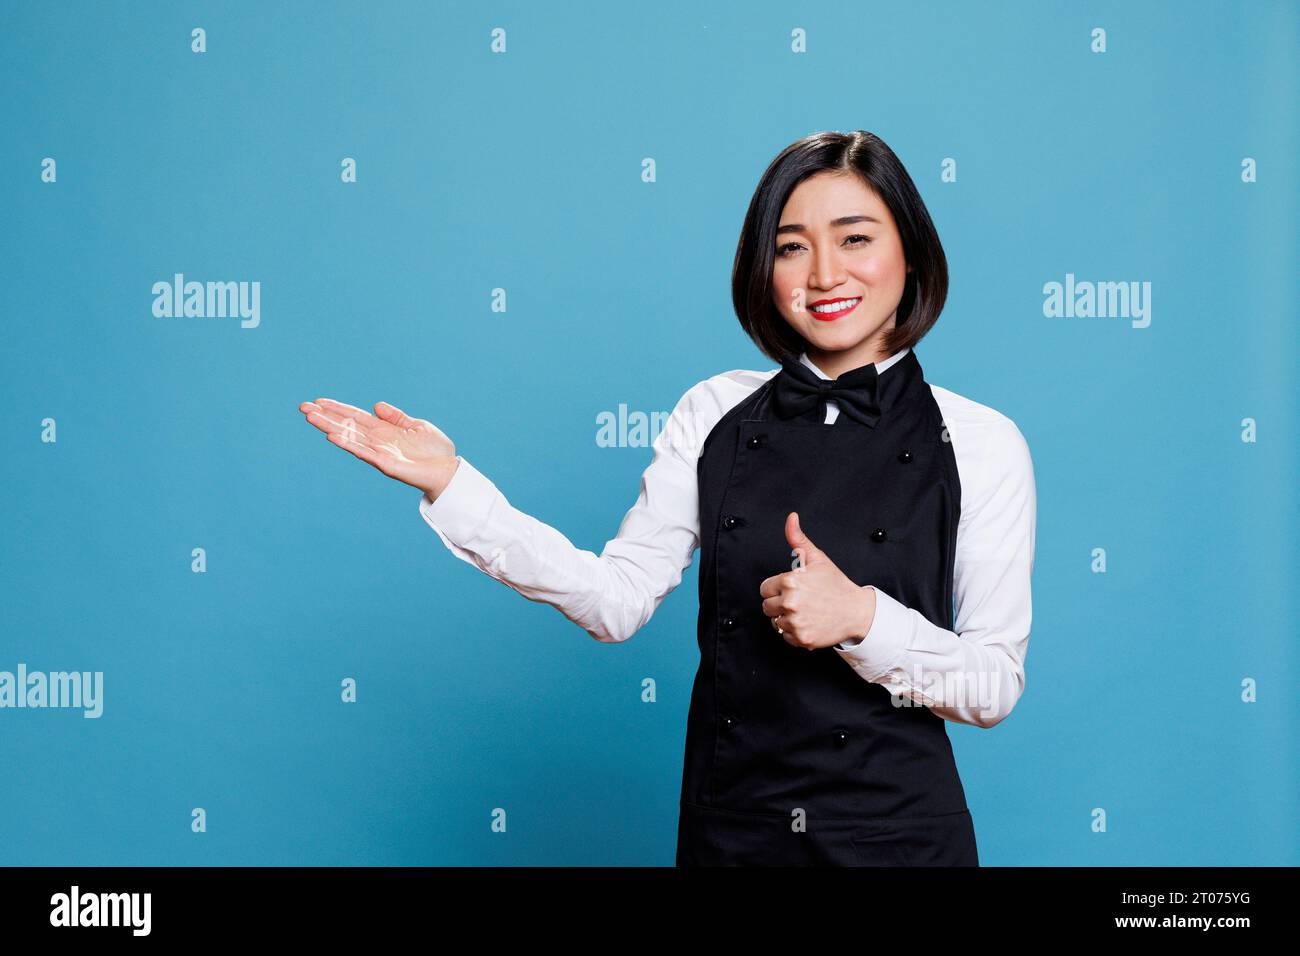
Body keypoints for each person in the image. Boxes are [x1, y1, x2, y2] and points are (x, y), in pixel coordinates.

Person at [299, 130, 1037, 867]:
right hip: (732, 836)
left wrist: (862, 619)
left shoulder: (981, 440)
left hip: (902, 843)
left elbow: (993, 685)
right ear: (763, 268)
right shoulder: (714, 412)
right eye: (791, 247)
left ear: (910, 251)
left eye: (855, 238)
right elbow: (615, 602)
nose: (823, 274)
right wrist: (454, 485)